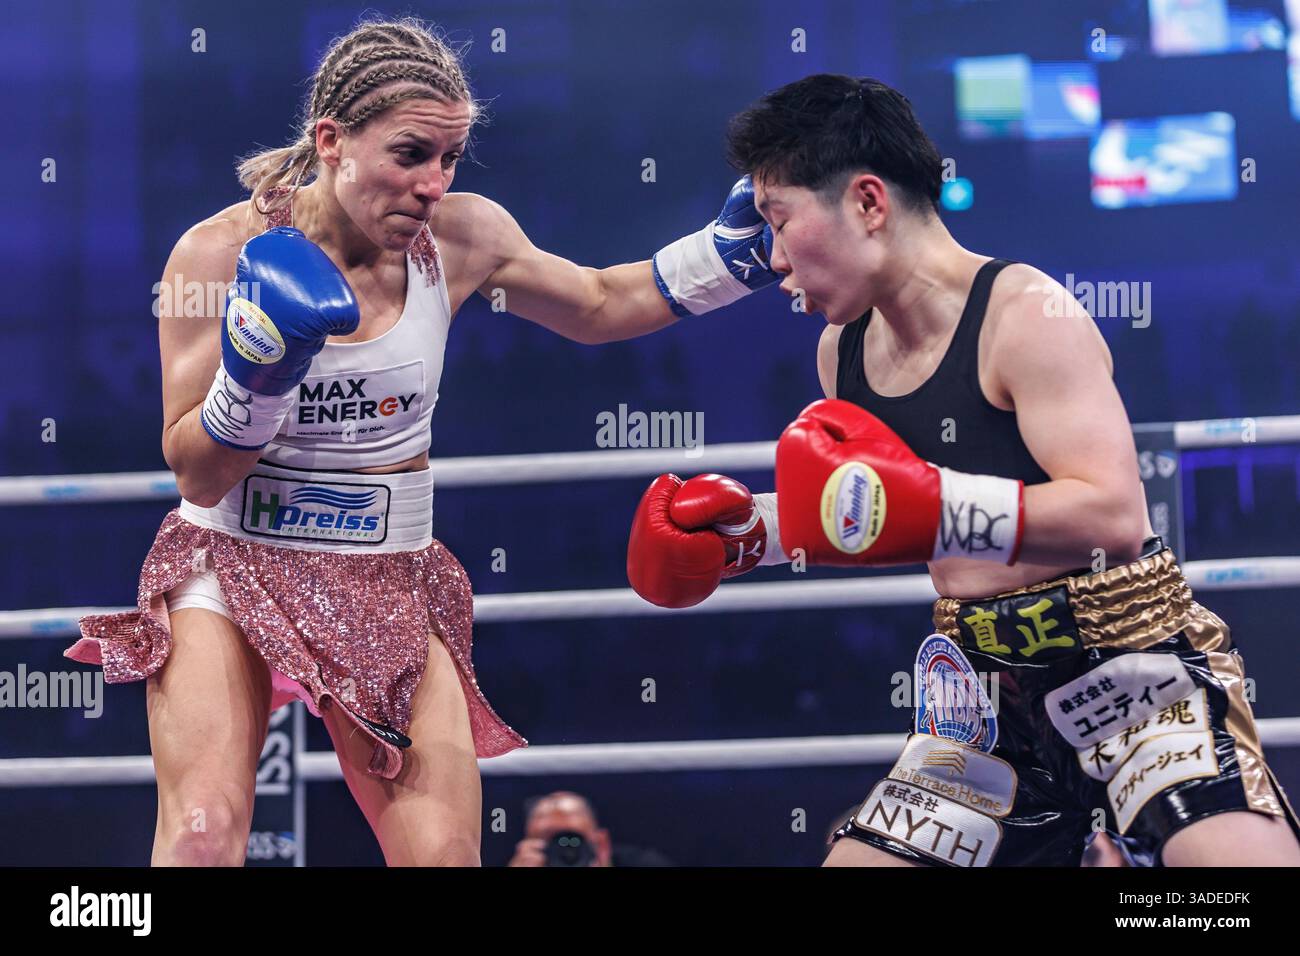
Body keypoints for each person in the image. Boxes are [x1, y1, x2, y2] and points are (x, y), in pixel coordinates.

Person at [65, 14, 775, 867]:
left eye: (449, 159)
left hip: (386, 567)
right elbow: (197, 471)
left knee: (442, 856)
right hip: (231, 558)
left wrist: (726, 260)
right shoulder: (217, 255)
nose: (434, 184)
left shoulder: (462, 238)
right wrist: (255, 379)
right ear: (332, 141)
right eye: (410, 154)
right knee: (202, 834)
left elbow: (596, 301)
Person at [626, 74, 1300, 867]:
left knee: (1229, 879)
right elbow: (876, 511)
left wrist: (939, 505)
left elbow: (1113, 516)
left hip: (1131, 672)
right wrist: (753, 535)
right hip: (979, 697)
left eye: (779, 221)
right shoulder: (841, 350)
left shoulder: (1026, 314)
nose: (772, 259)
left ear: (868, 203)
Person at [506, 791, 672, 867]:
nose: (566, 851)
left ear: (601, 843)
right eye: (550, 840)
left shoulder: (644, 863)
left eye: (572, 838)